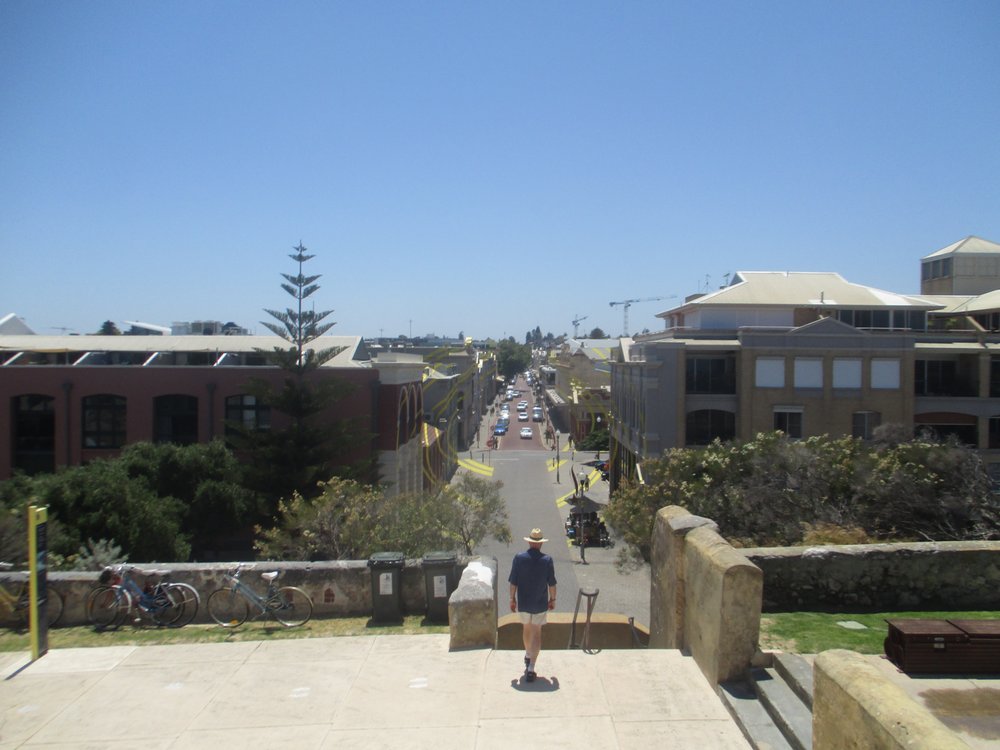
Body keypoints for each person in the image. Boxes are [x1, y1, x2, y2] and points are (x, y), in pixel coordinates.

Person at [508, 528, 557, 682]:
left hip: (524, 601)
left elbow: (513, 582)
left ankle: (528, 654)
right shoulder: (547, 560)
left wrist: (512, 599)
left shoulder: (519, 558)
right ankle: (531, 667)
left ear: (529, 542)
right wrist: (552, 599)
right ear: (541, 544)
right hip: (540, 603)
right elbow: (552, 584)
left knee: (526, 629)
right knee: (537, 632)